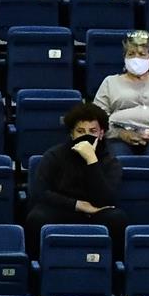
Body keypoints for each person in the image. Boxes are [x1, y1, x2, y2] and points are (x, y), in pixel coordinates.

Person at [26, 103, 127, 241]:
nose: (86, 136)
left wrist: (91, 160)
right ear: (72, 134)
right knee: (36, 218)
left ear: (101, 134)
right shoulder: (54, 155)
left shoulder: (110, 161)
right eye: (80, 131)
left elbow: (106, 199)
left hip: (96, 211)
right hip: (63, 207)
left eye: (92, 131)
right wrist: (77, 204)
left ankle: (112, 262)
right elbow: (40, 191)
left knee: (117, 219)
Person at [91, 30, 149, 156]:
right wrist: (120, 133)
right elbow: (97, 118)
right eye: (131, 54)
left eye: (141, 54)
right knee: (117, 162)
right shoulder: (110, 82)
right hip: (118, 138)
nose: (136, 58)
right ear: (125, 58)